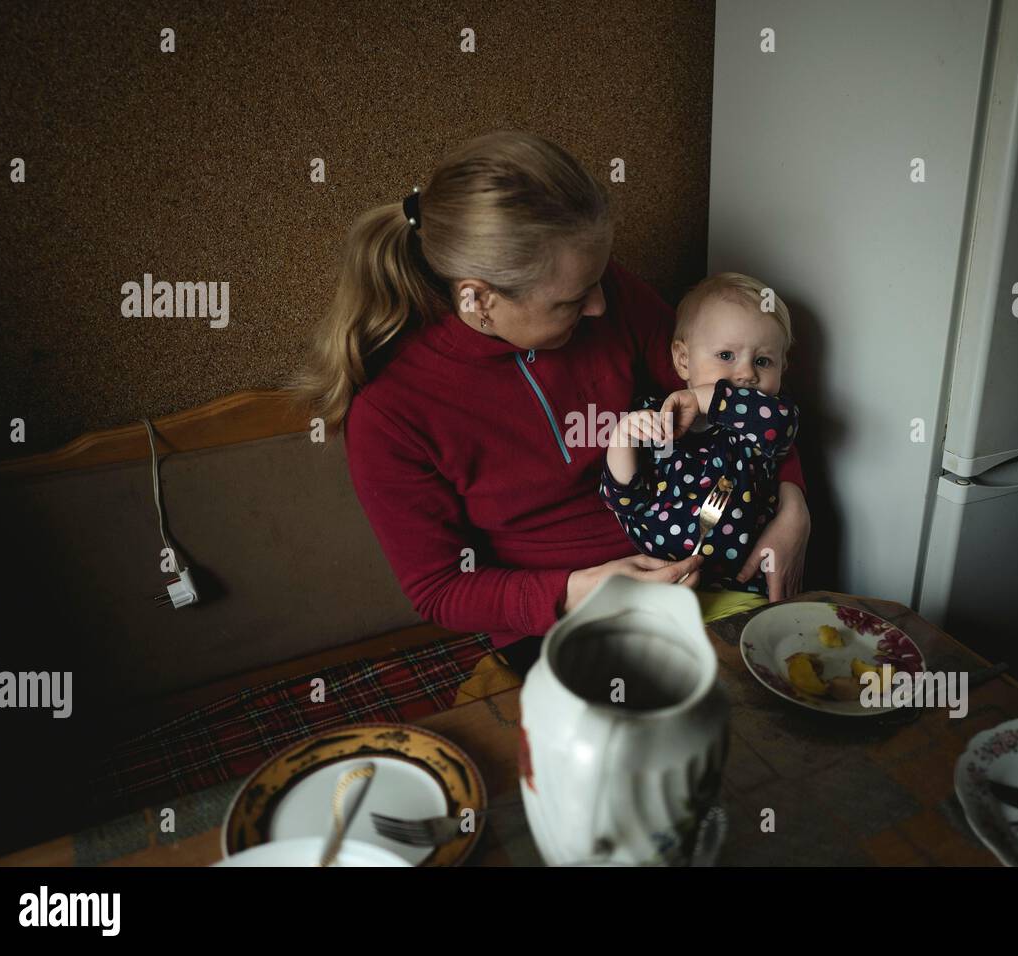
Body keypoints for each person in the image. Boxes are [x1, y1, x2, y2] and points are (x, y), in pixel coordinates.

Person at [292, 130, 810, 675]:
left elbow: (733, 396)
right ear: (479, 299)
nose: (599, 305)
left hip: (705, 571)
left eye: (598, 279)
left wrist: (793, 502)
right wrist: (574, 590)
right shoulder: (392, 415)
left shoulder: (609, 295)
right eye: (570, 301)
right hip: (563, 620)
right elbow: (439, 589)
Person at [601, 272, 799, 596]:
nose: (747, 373)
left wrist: (704, 398)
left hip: (745, 584)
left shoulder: (762, 424)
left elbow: (778, 424)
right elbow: (623, 501)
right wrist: (621, 440)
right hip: (661, 580)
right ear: (682, 359)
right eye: (726, 356)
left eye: (763, 361)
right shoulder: (657, 416)